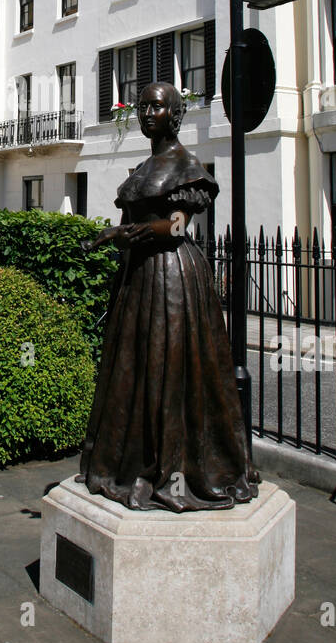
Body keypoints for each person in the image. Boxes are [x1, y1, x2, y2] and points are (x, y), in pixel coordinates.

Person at [80, 80, 259, 512]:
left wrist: (120, 233)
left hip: (173, 275)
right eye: (142, 107)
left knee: (170, 369)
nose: (147, 115)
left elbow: (178, 227)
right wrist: (120, 240)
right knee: (132, 367)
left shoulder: (187, 165)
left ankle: (173, 468)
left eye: (156, 108)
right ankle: (127, 461)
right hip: (138, 278)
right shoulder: (143, 168)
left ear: (175, 115)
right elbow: (132, 219)